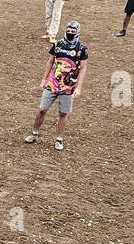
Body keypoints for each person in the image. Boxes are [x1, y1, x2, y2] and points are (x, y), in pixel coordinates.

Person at [27, 20, 88, 151]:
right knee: (42, 109)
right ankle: (34, 133)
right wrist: (44, 79)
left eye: (73, 31)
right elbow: (50, 62)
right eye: (68, 30)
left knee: (63, 113)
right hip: (53, 83)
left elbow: (83, 68)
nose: (70, 33)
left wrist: (78, 87)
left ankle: (59, 139)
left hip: (68, 86)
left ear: (77, 33)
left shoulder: (81, 49)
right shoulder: (58, 45)